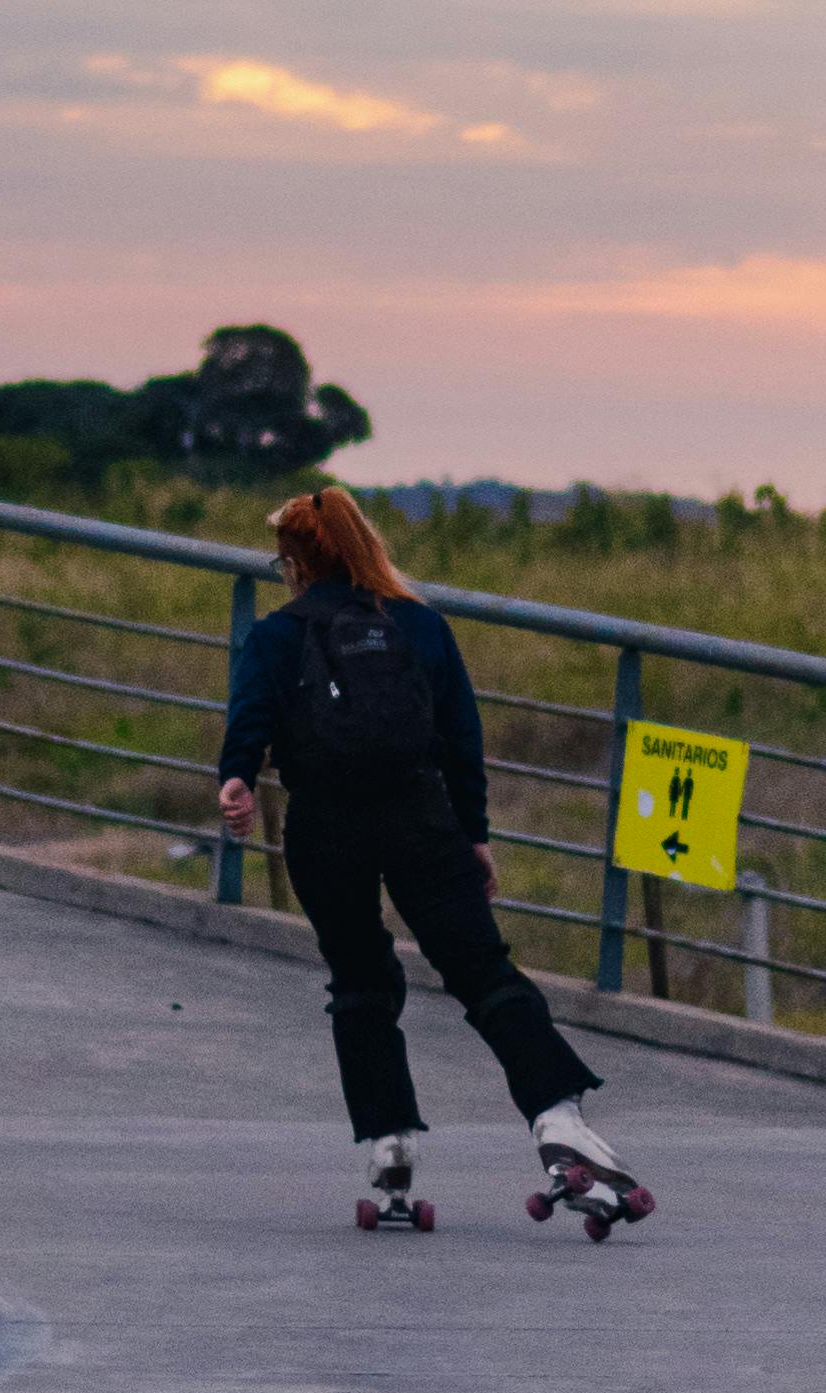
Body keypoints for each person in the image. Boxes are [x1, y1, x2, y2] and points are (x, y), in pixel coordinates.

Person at [217, 482, 646, 1226]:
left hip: (324, 830)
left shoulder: (279, 634)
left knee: (361, 979)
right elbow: (461, 738)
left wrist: (236, 783)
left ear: (294, 560)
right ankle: (557, 1117)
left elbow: (250, 720)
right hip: (421, 818)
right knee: (482, 970)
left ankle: (389, 1142)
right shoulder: (419, 626)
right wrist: (473, 835)